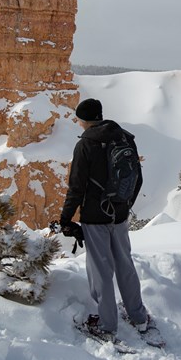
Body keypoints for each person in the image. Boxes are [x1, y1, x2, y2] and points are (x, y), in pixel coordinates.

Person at [59, 98, 150, 341]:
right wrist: (125, 205)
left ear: (83, 120)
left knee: (101, 269)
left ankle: (108, 325)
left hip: (95, 216)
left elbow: (76, 187)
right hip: (119, 214)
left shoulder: (86, 145)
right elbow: (137, 178)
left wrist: (65, 218)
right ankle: (139, 317)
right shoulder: (124, 137)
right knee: (125, 264)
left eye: (79, 119)